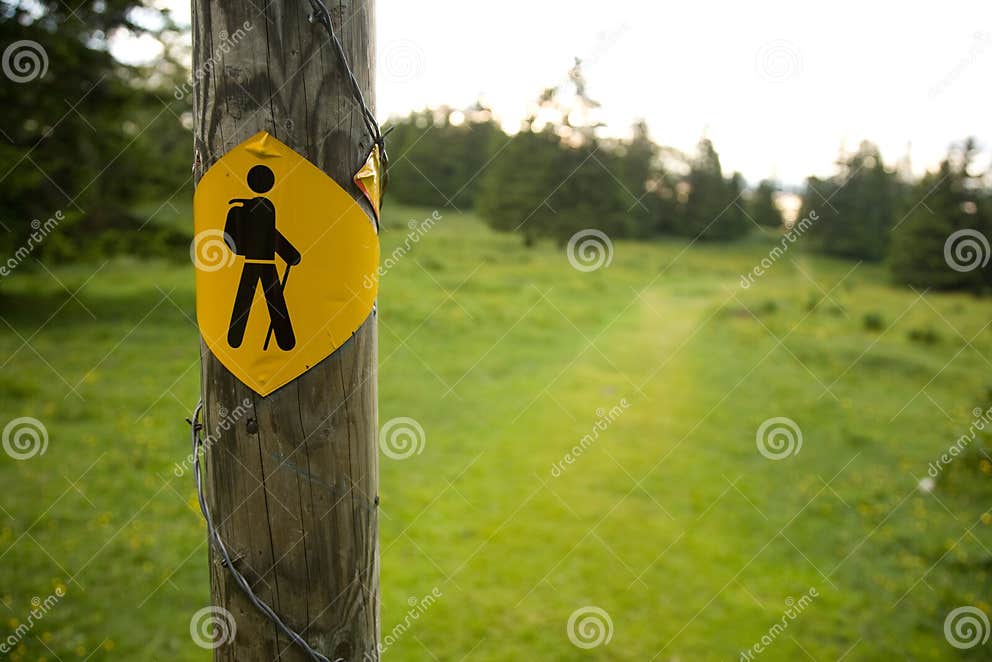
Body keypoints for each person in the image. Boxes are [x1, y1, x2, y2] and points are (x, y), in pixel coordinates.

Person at [224, 164, 301, 350]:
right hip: (266, 263)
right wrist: (290, 255)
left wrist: (290, 254)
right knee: (274, 300)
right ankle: (285, 341)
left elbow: (269, 235)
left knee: (247, 299)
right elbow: (273, 235)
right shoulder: (266, 207)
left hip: (253, 262)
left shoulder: (246, 207)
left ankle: (235, 340)